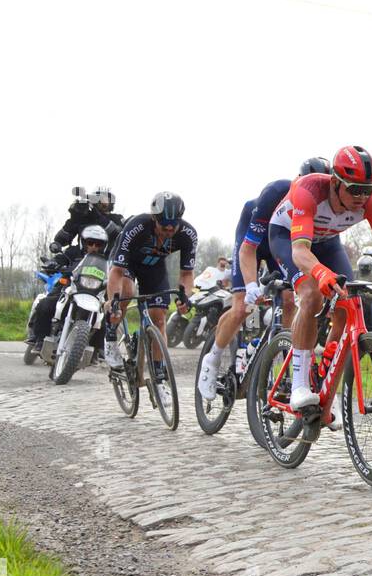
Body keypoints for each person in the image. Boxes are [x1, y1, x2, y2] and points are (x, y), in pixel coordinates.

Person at [266, 146, 372, 412]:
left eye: (367, 189)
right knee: (311, 294)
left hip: (326, 242)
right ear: (336, 183)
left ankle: (326, 385)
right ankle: (300, 384)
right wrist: (320, 273)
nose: (362, 196)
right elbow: (300, 251)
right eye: (355, 189)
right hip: (287, 237)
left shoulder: (371, 203)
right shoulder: (309, 190)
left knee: (348, 305)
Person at [194, 158, 328, 402]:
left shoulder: (319, 205)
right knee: (242, 307)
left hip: (281, 244)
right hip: (253, 243)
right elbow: (248, 249)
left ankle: (288, 363)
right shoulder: (276, 192)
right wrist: (251, 285)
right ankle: (212, 358)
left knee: (289, 300)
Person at [104, 193, 198, 410]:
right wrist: (114, 301)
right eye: (164, 225)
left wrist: (185, 296)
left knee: (159, 318)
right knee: (126, 293)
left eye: (173, 226)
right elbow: (116, 271)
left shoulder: (187, 234)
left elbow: (186, 273)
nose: (168, 230)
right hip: (126, 264)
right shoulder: (137, 226)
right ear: (154, 219)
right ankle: (110, 339)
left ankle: (159, 377)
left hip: (154, 268)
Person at [53, 186, 125, 256]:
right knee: (65, 255)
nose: (101, 202)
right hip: (80, 260)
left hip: (108, 260)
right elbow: (60, 241)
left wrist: (98, 217)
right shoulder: (84, 218)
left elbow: (119, 235)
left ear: (111, 203)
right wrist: (73, 220)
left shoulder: (117, 218)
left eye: (105, 200)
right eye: (98, 199)